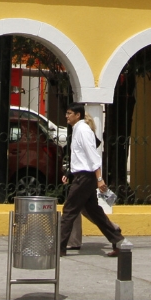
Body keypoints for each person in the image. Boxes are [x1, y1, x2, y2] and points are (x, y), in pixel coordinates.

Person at [57, 104, 124, 257]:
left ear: (78, 115)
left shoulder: (83, 131)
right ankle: (119, 241)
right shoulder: (77, 130)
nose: (67, 116)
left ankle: (59, 248)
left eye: (69, 113)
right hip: (82, 176)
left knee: (69, 211)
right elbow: (79, 157)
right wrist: (69, 172)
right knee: (95, 213)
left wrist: (99, 179)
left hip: (85, 178)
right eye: (66, 113)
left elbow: (93, 156)